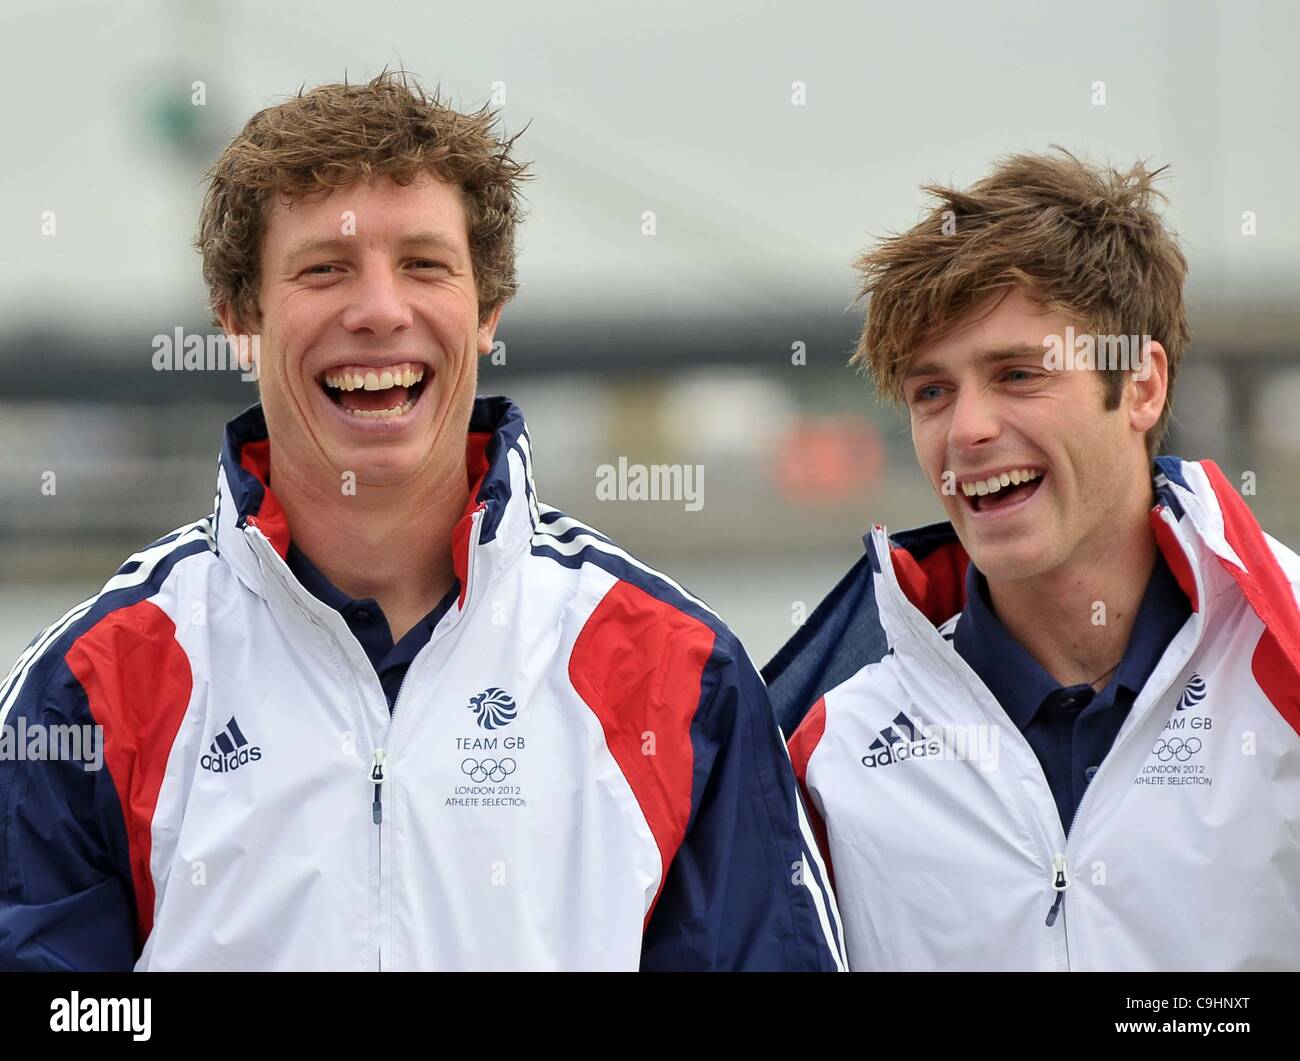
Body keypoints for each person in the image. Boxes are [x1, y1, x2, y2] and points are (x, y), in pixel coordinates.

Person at [0, 71, 843, 972]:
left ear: (487, 311)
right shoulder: (89, 687)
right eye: (325, 268)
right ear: (240, 320)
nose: (379, 311)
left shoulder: (678, 672)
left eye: (424, 265)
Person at [764, 149, 1300, 971]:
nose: (968, 429)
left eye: (1017, 373)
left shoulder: (1286, 660)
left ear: (1143, 387)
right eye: (931, 392)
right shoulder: (828, 749)